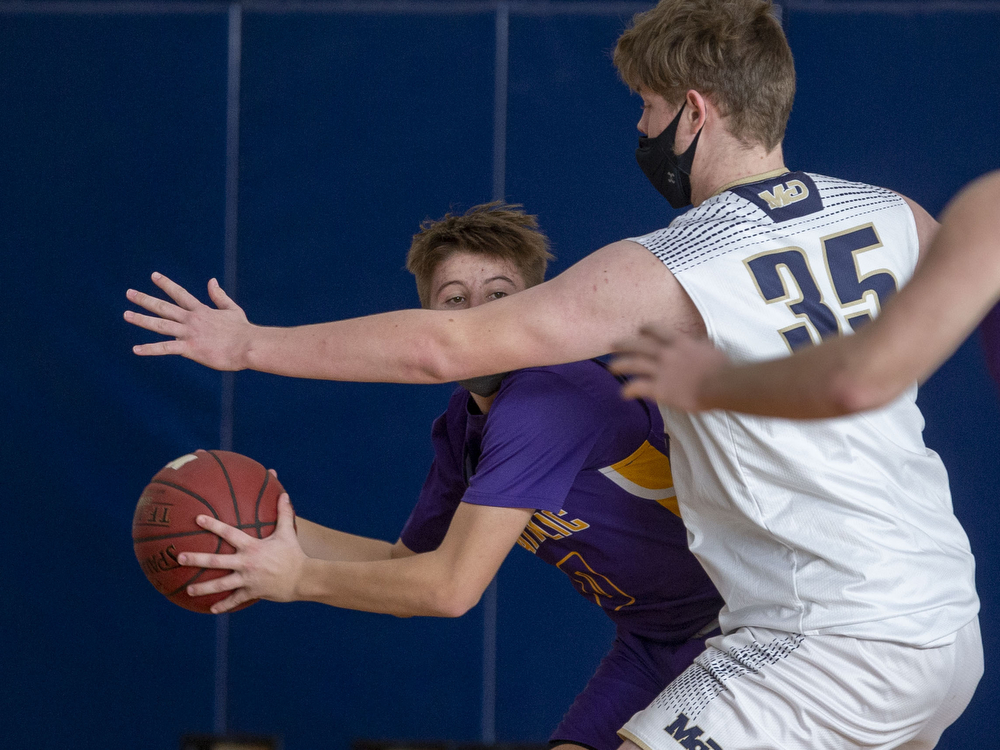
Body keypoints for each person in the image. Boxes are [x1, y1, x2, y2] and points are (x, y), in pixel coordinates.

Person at [124, 1, 982, 748]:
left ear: (693, 112)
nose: (640, 133)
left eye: (645, 109)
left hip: (820, 634)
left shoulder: (671, 265)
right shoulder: (893, 213)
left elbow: (444, 350)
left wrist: (248, 346)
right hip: (944, 618)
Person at [176, 203, 724, 750]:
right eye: (456, 301)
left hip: (740, 626)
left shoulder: (551, 397)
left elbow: (449, 589)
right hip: (652, 640)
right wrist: (268, 530)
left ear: (537, 304)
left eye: (499, 297)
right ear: (431, 320)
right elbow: (409, 566)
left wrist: (297, 581)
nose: (478, 317)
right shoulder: (464, 428)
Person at [612, 170, 1000, 416]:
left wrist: (707, 382)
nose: (643, 123)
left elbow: (856, 382)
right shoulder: (947, 215)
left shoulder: (989, 208)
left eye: (648, 104)